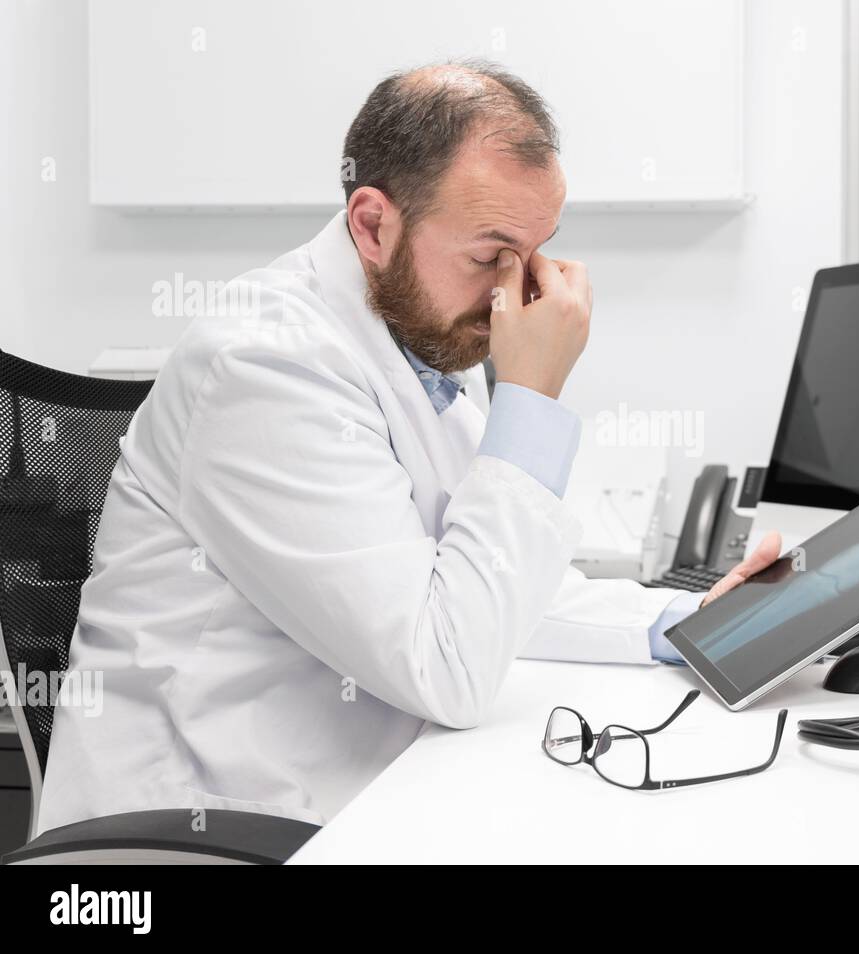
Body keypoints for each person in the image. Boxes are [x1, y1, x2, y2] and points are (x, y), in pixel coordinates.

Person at [38, 60, 780, 831]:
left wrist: (680, 623)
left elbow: (480, 583)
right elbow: (446, 665)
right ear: (373, 224)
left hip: (356, 788)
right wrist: (532, 399)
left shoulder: (429, 333)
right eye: (488, 253)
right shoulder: (265, 365)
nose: (517, 290)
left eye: (535, 249)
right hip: (209, 827)